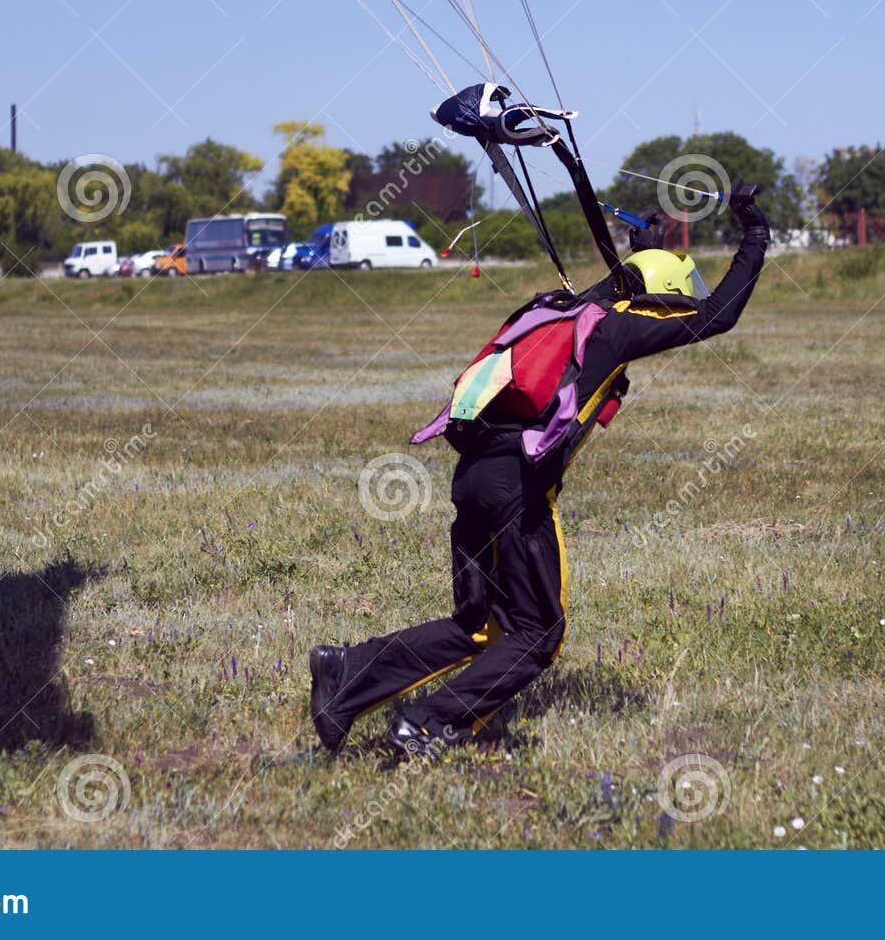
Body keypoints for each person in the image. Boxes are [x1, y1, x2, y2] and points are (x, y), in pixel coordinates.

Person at [307, 187, 771, 755]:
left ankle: (348, 673)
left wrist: (644, 252)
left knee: (479, 625)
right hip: (518, 491)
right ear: (657, 298)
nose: (672, 313)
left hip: (472, 476)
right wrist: (754, 234)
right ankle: (428, 722)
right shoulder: (618, 329)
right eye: (673, 300)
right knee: (538, 634)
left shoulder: (557, 312)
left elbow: (616, 291)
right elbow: (719, 314)